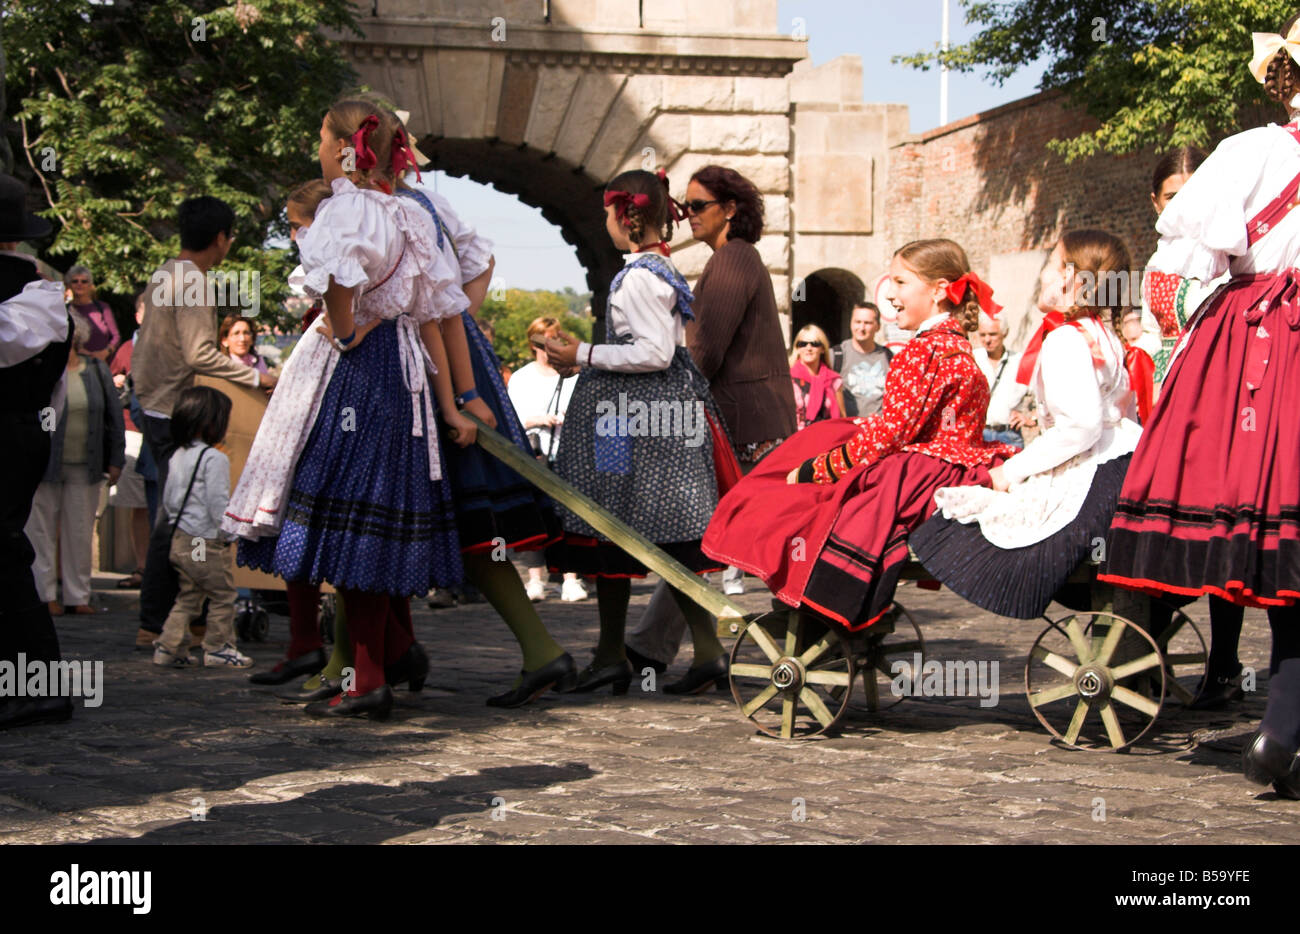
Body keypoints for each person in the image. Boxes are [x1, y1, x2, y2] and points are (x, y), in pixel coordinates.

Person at [1100, 13, 1300, 799]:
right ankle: (1282, 724)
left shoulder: (1250, 154)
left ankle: (1283, 729)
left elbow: (1184, 272)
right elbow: (1180, 271)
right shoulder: (1255, 153)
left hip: (1256, 346)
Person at [235, 99, 474, 720]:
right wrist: (450, 403)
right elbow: (431, 314)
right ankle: (372, 666)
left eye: (321, 134)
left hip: (357, 374)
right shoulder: (407, 214)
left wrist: (345, 331)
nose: (317, 145)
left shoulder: (349, 209)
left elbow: (341, 290)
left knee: (343, 520)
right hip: (403, 376)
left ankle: (365, 675)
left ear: (343, 146)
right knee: (367, 523)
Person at [702, 239, 1017, 630]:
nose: (891, 293)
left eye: (901, 282)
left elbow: (890, 434)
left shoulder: (921, 352)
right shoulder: (961, 347)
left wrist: (817, 469)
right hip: (955, 464)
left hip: (919, 472)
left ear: (938, 290)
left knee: (793, 486)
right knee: (828, 435)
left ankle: (802, 583)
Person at [544, 168, 740, 696]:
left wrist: (583, 353)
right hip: (639, 413)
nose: (604, 223)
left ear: (624, 216)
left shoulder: (640, 277)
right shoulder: (656, 268)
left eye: (607, 214)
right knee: (639, 531)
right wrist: (584, 360)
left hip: (633, 421)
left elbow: (653, 353)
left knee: (619, 525)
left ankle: (640, 653)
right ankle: (688, 652)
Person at [911, 231, 1142, 619]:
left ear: (1069, 279)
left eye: (1050, 264)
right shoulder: (1106, 336)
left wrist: (1009, 471)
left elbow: (1080, 428)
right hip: (1122, 459)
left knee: (971, 526)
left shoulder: (1068, 338)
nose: (1042, 275)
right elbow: (1121, 413)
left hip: (1094, 470)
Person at [624, 163, 796, 672]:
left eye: (698, 206)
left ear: (730, 210)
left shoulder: (734, 259)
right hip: (744, 421)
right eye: (684, 207)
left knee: (733, 533)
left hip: (748, 427)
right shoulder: (731, 260)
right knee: (705, 535)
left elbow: (704, 353)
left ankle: (678, 648)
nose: (688, 215)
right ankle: (656, 646)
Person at [131, 197, 277, 649]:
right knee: (177, 519)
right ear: (221, 239)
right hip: (176, 409)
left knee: (173, 514)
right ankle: (160, 622)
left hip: (155, 404)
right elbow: (198, 353)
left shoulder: (164, 273)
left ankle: (169, 621)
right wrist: (257, 376)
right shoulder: (195, 281)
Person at [0, 172, 77, 729]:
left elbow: (11, 345)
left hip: (11, 433)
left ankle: (40, 683)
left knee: (4, 550)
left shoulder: (36, 293)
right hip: (20, 431)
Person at [25, 315, 125, 616]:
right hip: (45, 465)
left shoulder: (95, 370)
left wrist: (116, 458)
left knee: (79, 531)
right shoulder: (40, 369)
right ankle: (43, 596)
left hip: (87, 464)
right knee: (40, 532)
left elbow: (113, 416)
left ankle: (77, 595)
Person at [153, 387, 252, 669]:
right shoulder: (214, 459)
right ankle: (219, 647)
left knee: (189, 595)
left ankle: (168, 647)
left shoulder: (177, 456)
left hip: (181, 540)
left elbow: (170, 499)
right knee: (223, 594)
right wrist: (230, 532)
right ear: (211, 423)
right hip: (203, 543)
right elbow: (217, 502)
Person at [506, 315, 586, 604]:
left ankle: (571, 578)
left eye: (555, 339)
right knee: (535, 518)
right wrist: (539, 419)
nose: (550, 346)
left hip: (568, 455)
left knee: (570, 518)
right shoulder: (521, 378)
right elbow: (511, 420)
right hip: (535, 455)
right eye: (544, 341)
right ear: (533, 344)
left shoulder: (574, 375)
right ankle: (536, 579)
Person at [1139, 146, 1211, 384]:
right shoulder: (1156, 263)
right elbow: (1152, 334)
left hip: (1219, 377)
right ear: (1156, 203)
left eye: (1194, 193)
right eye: (1172, 197)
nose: (1183, 206)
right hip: (1168, 384)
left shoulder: (1232, 253)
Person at [107, 295, 155, 590]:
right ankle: (142, 566)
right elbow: (110, 381)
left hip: (161, 435)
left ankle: (159, 569)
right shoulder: (127, 349)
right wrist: (116, 381)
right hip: (132, 433)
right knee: (138, 504)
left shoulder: (168, 348)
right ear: (138, 316)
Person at [973, 311, 1030, 447]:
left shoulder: (1019, 361)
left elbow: (1042, 395)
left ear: (1005, 333)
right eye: (983, 335)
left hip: (1009, 435)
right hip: (979, 434)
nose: (987, 340)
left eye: (993, 334)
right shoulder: (972, 358)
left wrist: (1033, 418)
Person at [832, 302, 892, 416]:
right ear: (851, 323)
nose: (861, 328)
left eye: (867, 323)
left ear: (878, 326)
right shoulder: (837, 355)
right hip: (848, 428)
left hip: (877, 428)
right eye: (857, 322)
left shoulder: (888, 357)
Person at [789, 324, 845, 431]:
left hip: (825, 439)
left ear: (823, 349)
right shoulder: (788, 379)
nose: (808, 348)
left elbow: (842, 416)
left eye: (814, 344)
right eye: (803, 344)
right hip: (796, 439)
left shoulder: (834, 380)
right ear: (797, 348)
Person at [64, 265, 120, 363]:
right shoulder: (65, 310)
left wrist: (105, 352)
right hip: (75, 365)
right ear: (69, 285)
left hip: (102, 365)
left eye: (84, 281)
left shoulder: (102, 308)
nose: (79, 284)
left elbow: (116, 336)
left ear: (90, 285)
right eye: (75, 281)